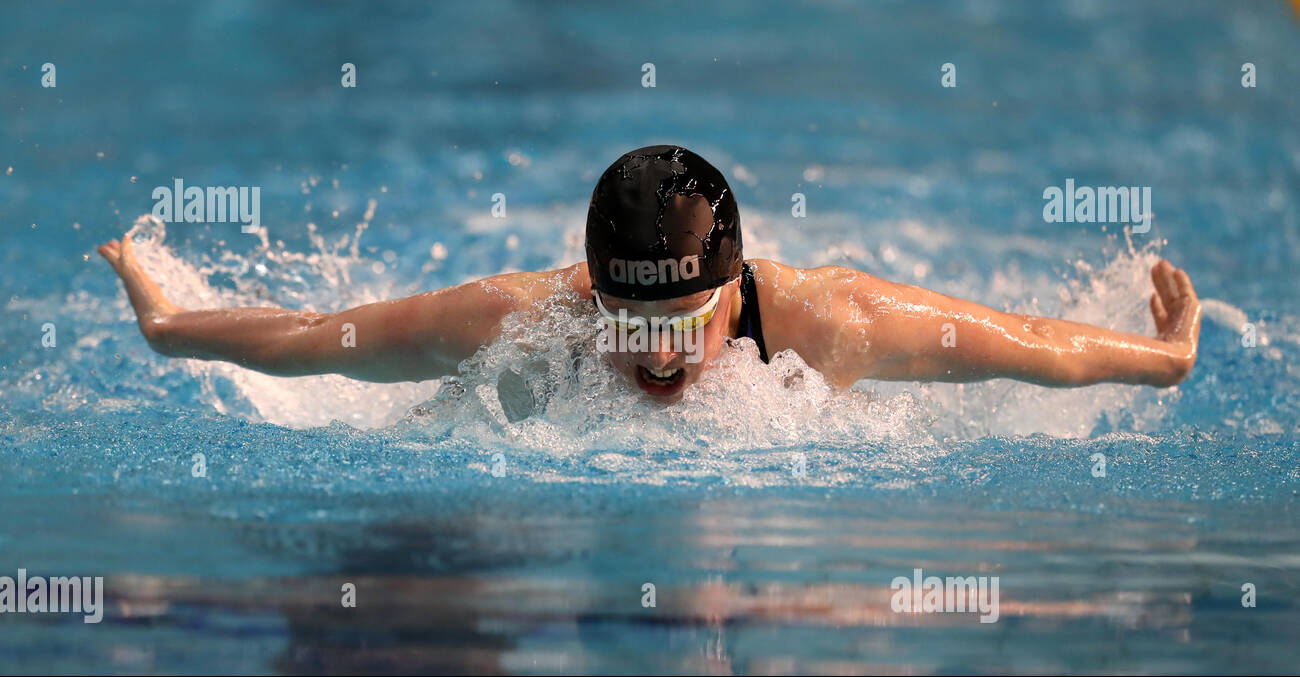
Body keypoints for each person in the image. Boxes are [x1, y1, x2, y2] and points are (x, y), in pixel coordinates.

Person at [96, 145, 1201, 401]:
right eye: (630, 316)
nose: (658, 350)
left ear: (734, 289)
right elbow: (315, 340)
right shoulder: (526, 321)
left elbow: (1035, 346)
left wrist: (1163, 357)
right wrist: (169, 326)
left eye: (685, 317)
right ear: (592, 292)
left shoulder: (829, 324)